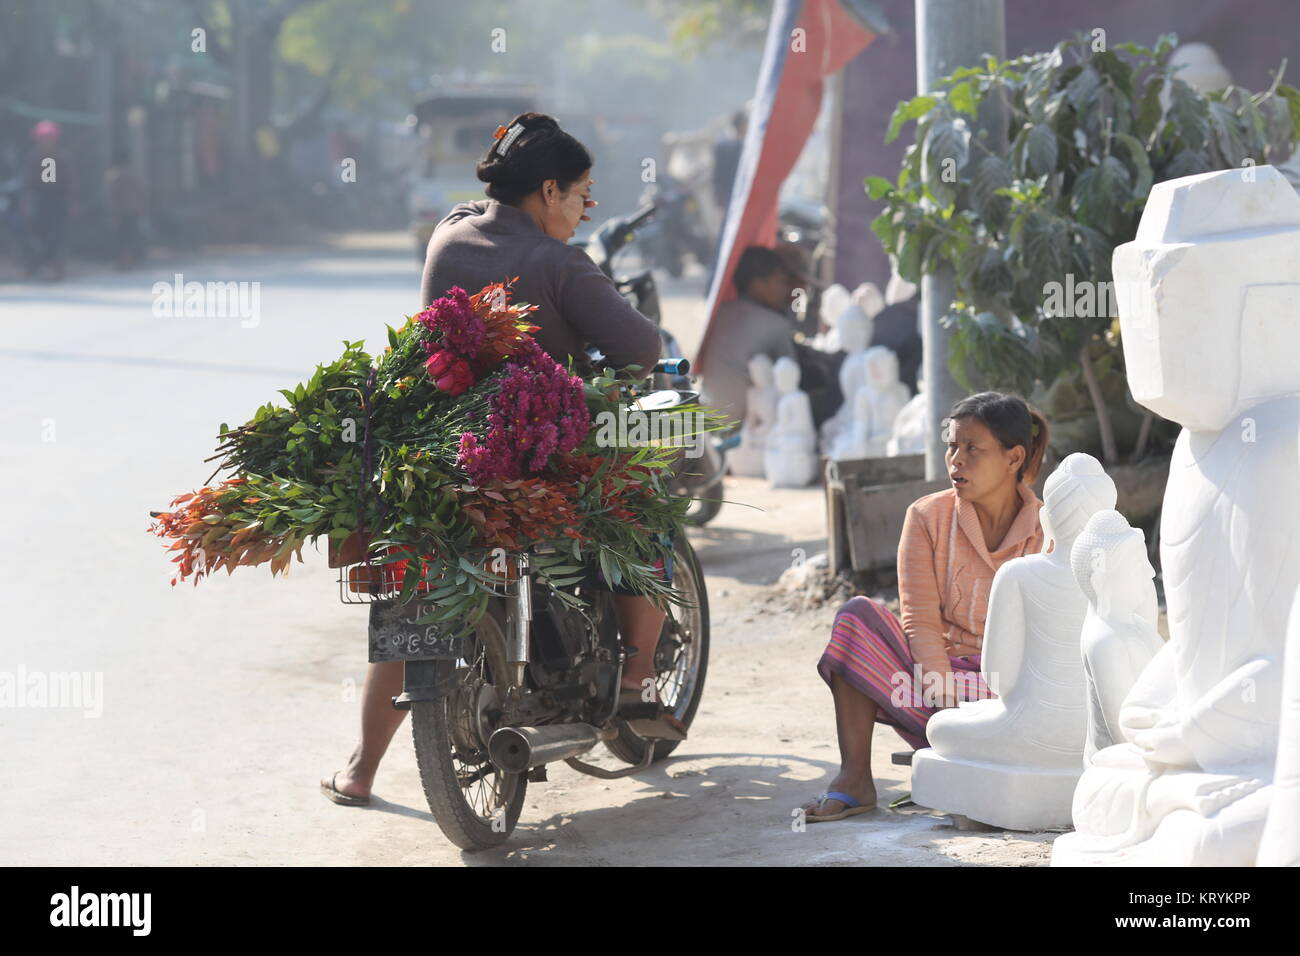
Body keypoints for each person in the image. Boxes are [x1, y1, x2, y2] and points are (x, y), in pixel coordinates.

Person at [322, 112, 670, 807]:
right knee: (643, 528)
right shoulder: (561, 262)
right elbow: (641, 348)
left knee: (412, 590)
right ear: (548, 190)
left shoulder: (448, 233)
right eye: (581, 193)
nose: (585, 208)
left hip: (443, 456)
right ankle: (633, 683)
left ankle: (362, 768)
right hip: (537, 461)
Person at [800, 391, 1050, 822]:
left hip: (1010, 700)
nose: (956, 460)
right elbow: (919, 619)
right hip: (935, 688)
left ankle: (973, 761)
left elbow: (1047, 639)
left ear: (1013, 459)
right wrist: (944, 699)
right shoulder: (926, 516)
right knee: (857, 616)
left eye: (973, 448)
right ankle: (855, 778)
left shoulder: (1047, 529)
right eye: (952, 445)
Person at [700, 245, 799, 427]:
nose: (786, 290)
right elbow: (792, 377)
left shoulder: (721, 312)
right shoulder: (776, 324)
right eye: (781, 282)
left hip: (709, 417)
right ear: (758, 284)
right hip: (744, 424)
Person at [22, 120, 74, 281]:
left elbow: (69, 183)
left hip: (57, 201)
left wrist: (71, 202)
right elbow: (28, 183)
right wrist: (26, 202)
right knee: (38, 235)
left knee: (56, 236)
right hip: (40, 201)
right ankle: (36, 266)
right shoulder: (33, 159)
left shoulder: (62, 158)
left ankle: (56, 268)